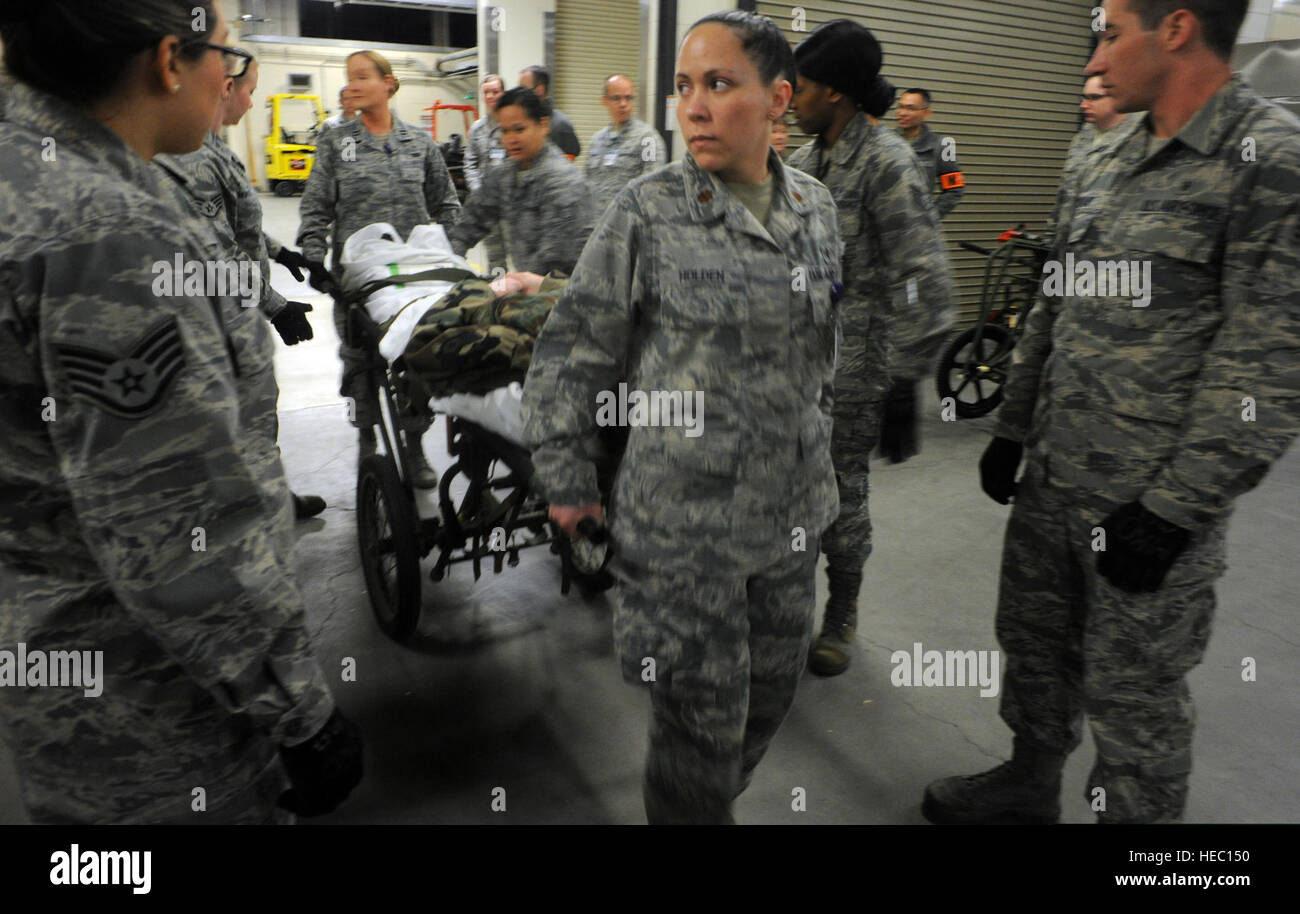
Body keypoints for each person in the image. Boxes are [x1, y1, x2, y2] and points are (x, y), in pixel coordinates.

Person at [923, 0, 1300, 825]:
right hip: (1054, 477)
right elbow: (1053, 307)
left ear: (1175, 29)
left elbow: (1267, 370)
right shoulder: (1096, 153)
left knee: (1135, 699)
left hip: (1146, 500)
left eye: (1109, 30)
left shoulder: (1269, 159)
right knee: (1034, 650)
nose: (1094, 53)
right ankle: (1029, 782)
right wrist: (1011, 428)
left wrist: (1173, 512)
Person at [0, 0, 361, 824]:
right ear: (170, 61)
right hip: (151, 709)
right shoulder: (105, 227)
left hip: (59, 663)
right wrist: (300, 711)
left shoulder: (35, 167)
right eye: (227, 58)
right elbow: (175, 524)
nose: (229, 78)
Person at [522, 10, 842, 824]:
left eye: (719, 84)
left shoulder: (816, 208)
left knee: (762, 707)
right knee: (697, 734)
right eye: (685, 86)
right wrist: (567, 483)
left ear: (778, 99)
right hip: (681, 536)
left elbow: (821, 355)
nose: (693, 106)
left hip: (790, 522)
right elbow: (569, 357)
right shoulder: (647, 212)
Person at [788, 19, 955, 677]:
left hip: (855, 373)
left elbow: (930, 286)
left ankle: (842, 614)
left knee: (841, 496)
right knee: (789, 494)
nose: (791, 97)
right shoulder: (803, 165)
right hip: (795, 369)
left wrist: (906, 376)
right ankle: (787, 606)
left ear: (834, 92)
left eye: (800, 86)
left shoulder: (890, 165)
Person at [154, 48, 327, 521]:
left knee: (256, 416)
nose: (252, 103)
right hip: (218, 317)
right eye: (250, 90)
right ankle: (255, 517)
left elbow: (237, 228)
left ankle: (269, 496)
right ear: (227, 89)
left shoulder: (214, 147)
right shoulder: (189, 157)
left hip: (237, 312)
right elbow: (214, 252)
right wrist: (276, 305)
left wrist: (282, 252)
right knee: (241, 420)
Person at [297, 49, 461, 487]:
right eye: (349, 78)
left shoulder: (419, 144)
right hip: (356, 280)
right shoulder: (336, 142)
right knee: (360, 363)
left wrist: (450, 253)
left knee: (413, 357)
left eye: (363, 76)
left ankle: (414, 448)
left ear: (389, 83)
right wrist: (314, 258)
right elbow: (316, 207)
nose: (353, 84)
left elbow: (447, 204)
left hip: (408, 281)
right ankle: (367, 441)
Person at [448, 87, 596, 277]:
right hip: (531, 283)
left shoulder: (564, 181)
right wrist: (451, 256)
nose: (510, 139)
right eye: (504, 130)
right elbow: (473, 219)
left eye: (519, 129)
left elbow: (555, 260)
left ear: (543, 126)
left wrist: (512, 288)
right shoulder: (506, 174)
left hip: (566, 290)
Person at [585, 74, 666, 213]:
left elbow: (653, 185)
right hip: (597, 224)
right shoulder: (596, 141)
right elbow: (587, 185)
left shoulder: (648, 139)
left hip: (630, 224)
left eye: (628, 98)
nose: (623, 104)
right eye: (616, 98)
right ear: (604, 101)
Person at [896, 88, 965, 220]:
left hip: (917, 230)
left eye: (910, 108)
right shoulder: (885, 142)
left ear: (926, 113)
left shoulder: (944, 145)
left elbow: (954, 188)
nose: (902, 113)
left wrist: (930, 217)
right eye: (900, 107)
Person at [464, 73, 508, 272]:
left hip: (512, 203)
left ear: (503, 93)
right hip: (488, 204)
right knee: (495, 256)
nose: (491, 96)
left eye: (495, 91)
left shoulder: (512, 125)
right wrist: (477, 191)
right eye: (486, 92)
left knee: (523, 253)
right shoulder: (477, 129)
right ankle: (499, 296)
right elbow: (470, 162)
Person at [518, 65, 581, 158]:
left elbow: (566, 165)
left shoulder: (561, 124)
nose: (519, 94)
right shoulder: (520, 121)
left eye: (523, 89)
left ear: (539, 90)